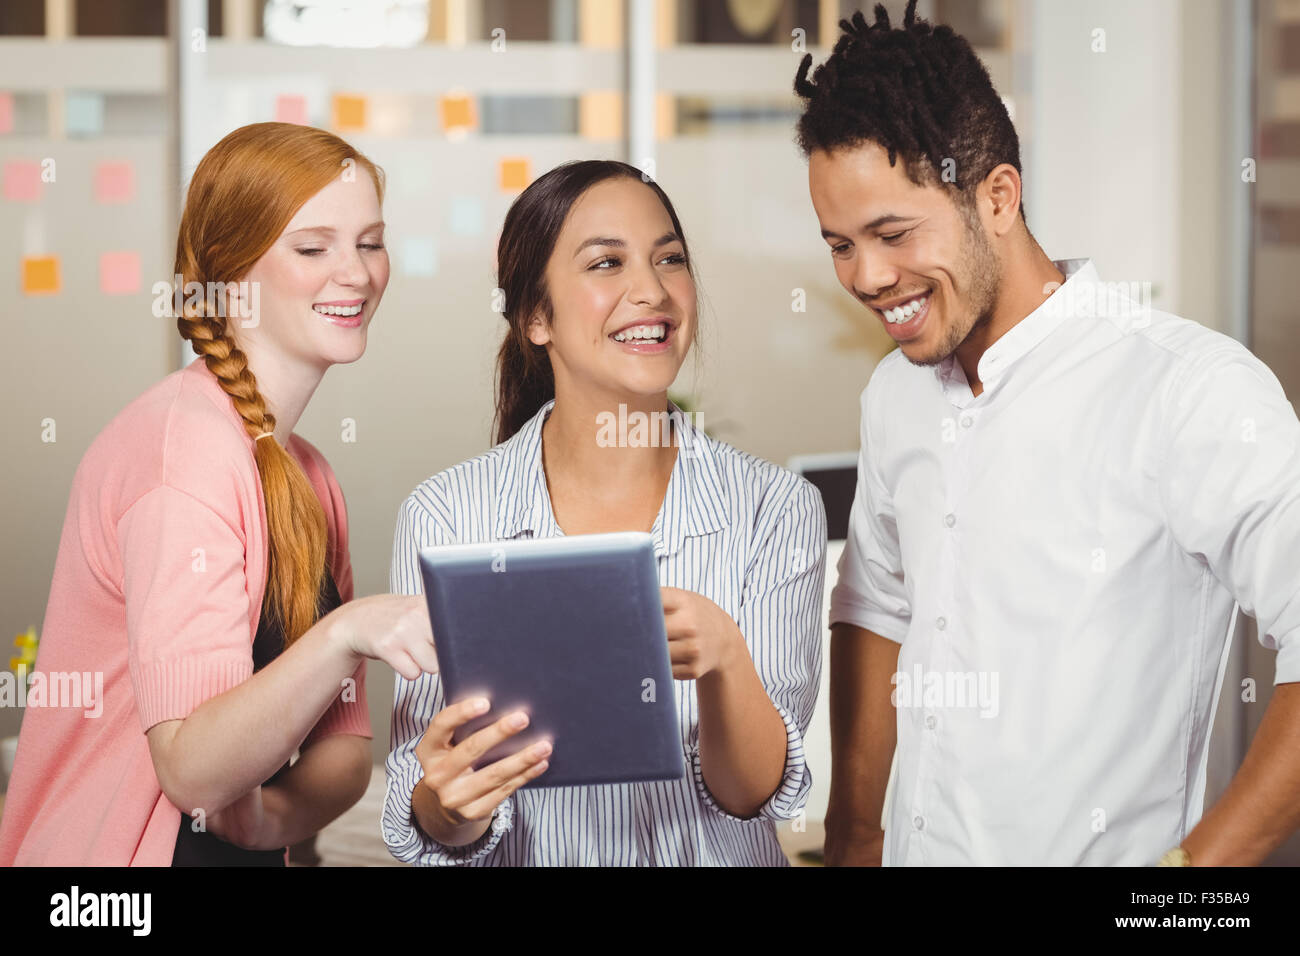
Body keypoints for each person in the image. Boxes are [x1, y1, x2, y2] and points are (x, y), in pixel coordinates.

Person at [798, 1, 1300, 866]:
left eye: (892, 233)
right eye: (839, 244)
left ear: (997, 194)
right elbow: (875, 604)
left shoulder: (1188, 390)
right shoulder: (895, 395)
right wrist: (852, 836)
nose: (867, 278)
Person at [0, 122, 437, 866]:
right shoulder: (183, 453)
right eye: (313, 247)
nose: (357, 274)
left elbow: (343, 752)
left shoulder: (308, 475)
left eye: (369, 242)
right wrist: (349, 630)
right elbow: (191, 768)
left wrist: (275, 821)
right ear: (231, 272)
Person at [383, 159, 825, 865]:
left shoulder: (775, 510)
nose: (651, 291)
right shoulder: (447, 515)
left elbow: (751, 797)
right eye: (606, 263)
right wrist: (447, 801)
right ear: (534, 316)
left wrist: (726, 661)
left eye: (670, 259)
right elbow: (440, 813)